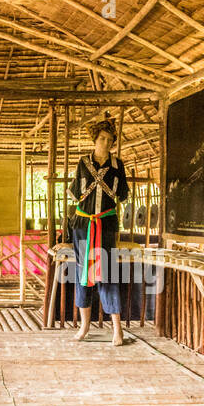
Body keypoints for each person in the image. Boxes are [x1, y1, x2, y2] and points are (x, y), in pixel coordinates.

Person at [69, 113, 128, 345]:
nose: (106, 143)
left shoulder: (117, 166)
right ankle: (84, 327)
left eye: (110, 140)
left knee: (108, 274)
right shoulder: (83, 163)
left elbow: (122, 194)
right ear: (95, 140)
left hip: (105, 225)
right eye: (102, 138)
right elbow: (75, 193)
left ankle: (117, 330)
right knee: (83, 274)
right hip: (83, 225)